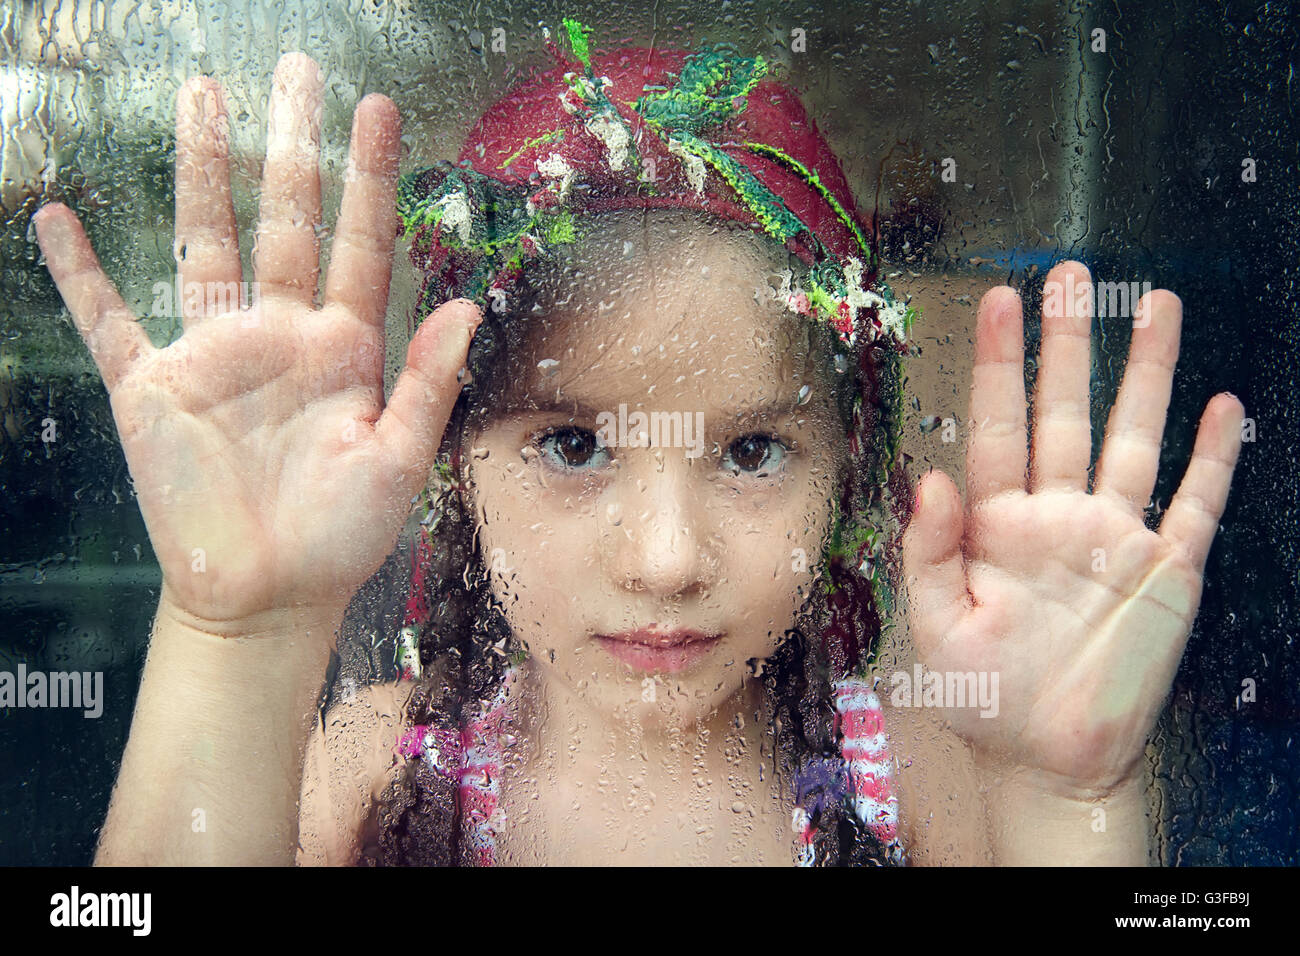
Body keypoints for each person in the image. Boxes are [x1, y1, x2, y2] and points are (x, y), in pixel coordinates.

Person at [32, 22, 1244, 866]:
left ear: (849, 474)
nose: (666, 561)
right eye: (569, 444)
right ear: (454, 468)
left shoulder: (921, 774)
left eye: (756, 452)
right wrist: (235, 637)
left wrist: (1064, 797)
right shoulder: (374, 767)